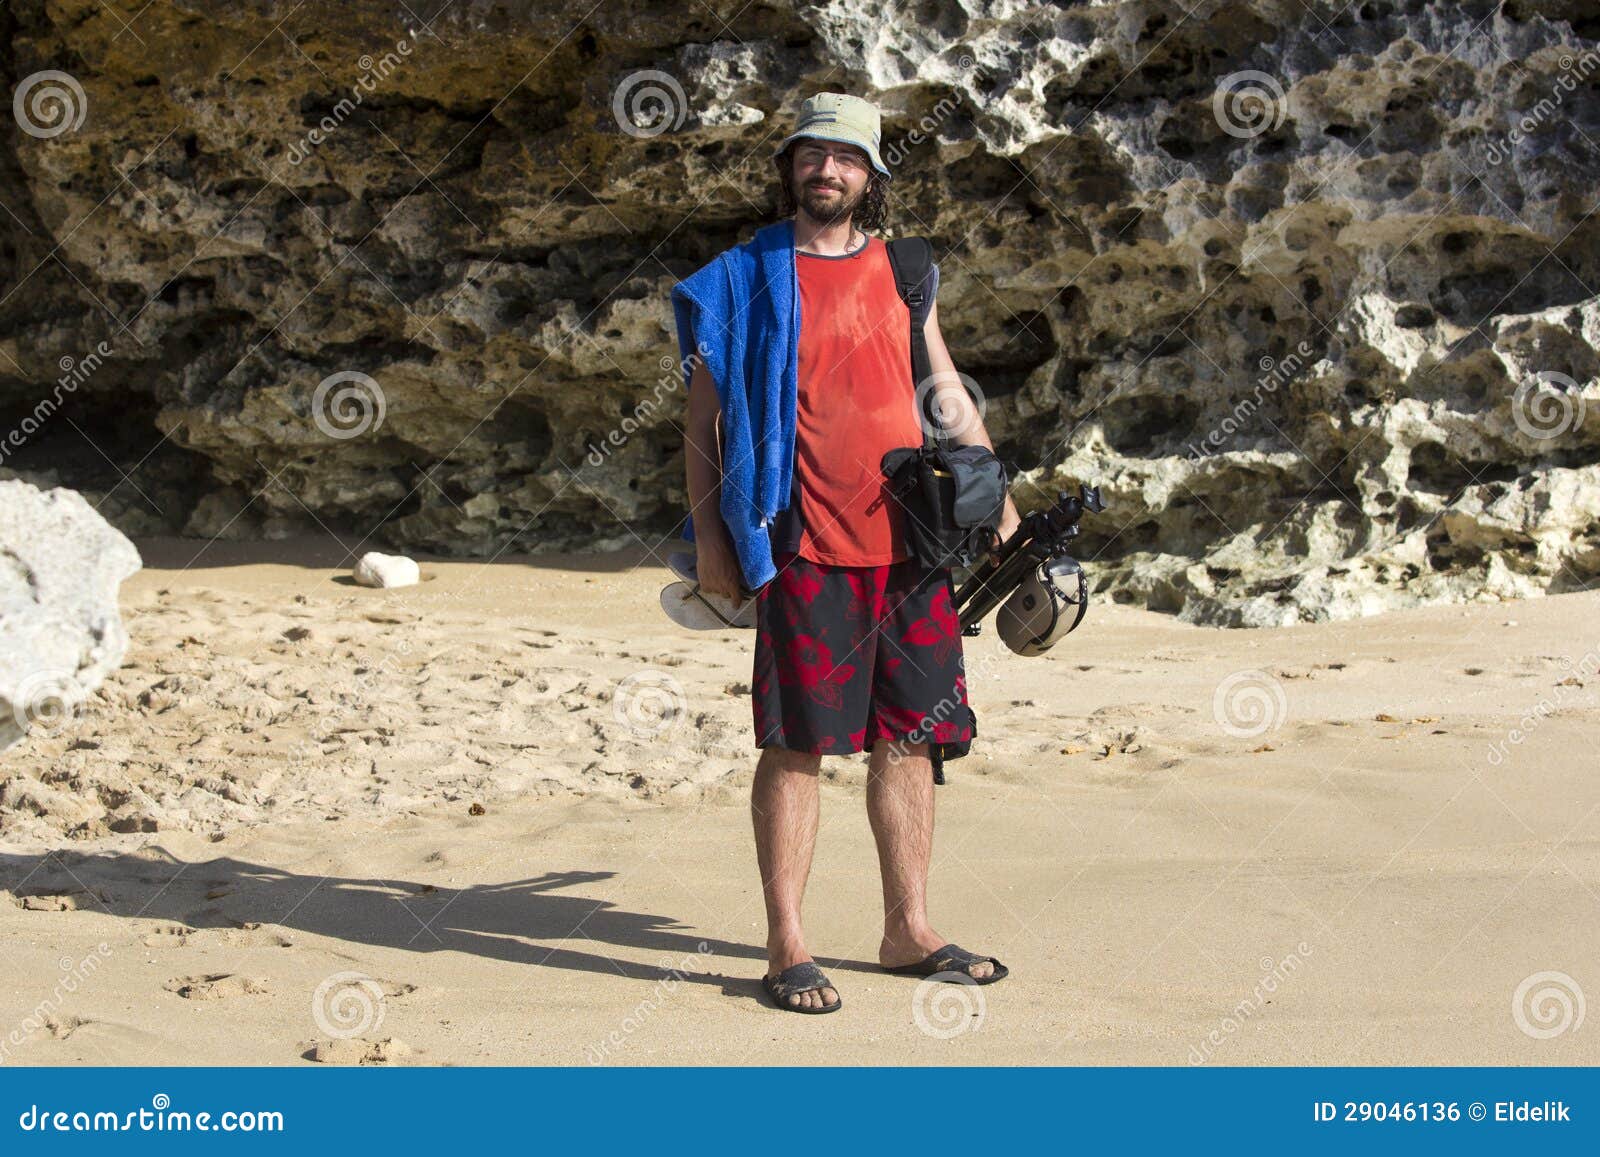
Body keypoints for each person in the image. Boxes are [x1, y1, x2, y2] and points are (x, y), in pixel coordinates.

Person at [679, 93, 1021, 1013]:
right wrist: (711, 534)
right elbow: (703, 417)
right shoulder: (745, 277)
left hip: (911, 546)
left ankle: (908, 926)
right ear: (789, 165)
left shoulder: (905, 270)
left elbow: (940, 384)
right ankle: (787, 940)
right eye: (809, 154)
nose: (825, 170)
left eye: (845, 158)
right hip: (803, 545)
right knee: (796, 742)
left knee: (913, 737)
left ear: (870, 174)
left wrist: (995, 485)